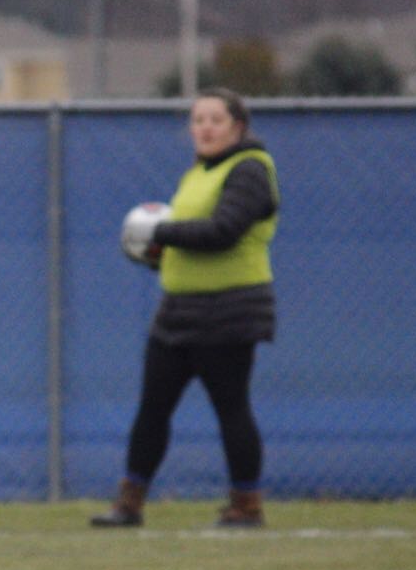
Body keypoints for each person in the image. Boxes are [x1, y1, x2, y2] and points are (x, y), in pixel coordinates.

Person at [91, 87, 279, 529]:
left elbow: (223, 230)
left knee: (231, 408)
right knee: (152, 408)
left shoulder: (250, 168)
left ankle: (246, 506)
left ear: (237, 126)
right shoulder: (198, 172)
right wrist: (156, 252)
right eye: (198, 120)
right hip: (178, 311)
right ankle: (129, 504)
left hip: (230, 309)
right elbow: (187, 238)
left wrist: (158, 232)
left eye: (216, 119)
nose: (205, 128)